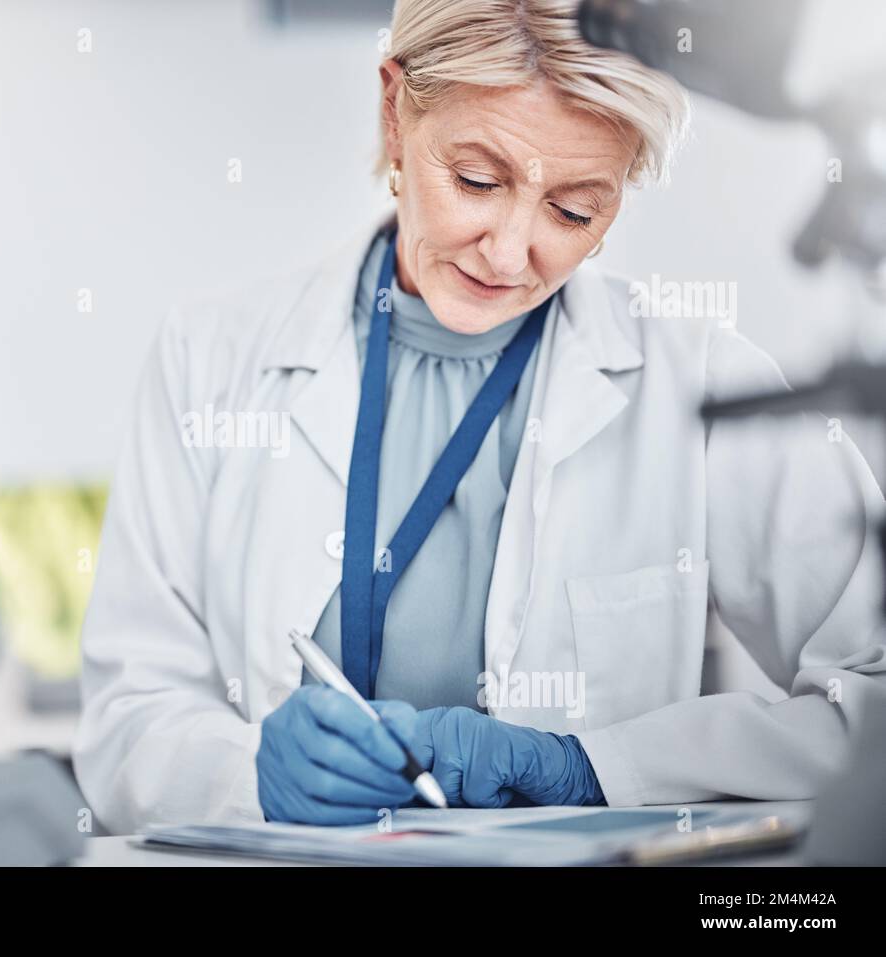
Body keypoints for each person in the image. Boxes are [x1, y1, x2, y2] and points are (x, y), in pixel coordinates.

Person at [73, 0, 886, 833]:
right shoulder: (208, 359)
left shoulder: (705, 383)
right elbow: (127, 716)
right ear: (395, 112)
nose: (507, 252)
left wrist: (593, 767)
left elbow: (874, 699)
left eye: (574, 210)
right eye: (476, 181)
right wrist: (248, 774)